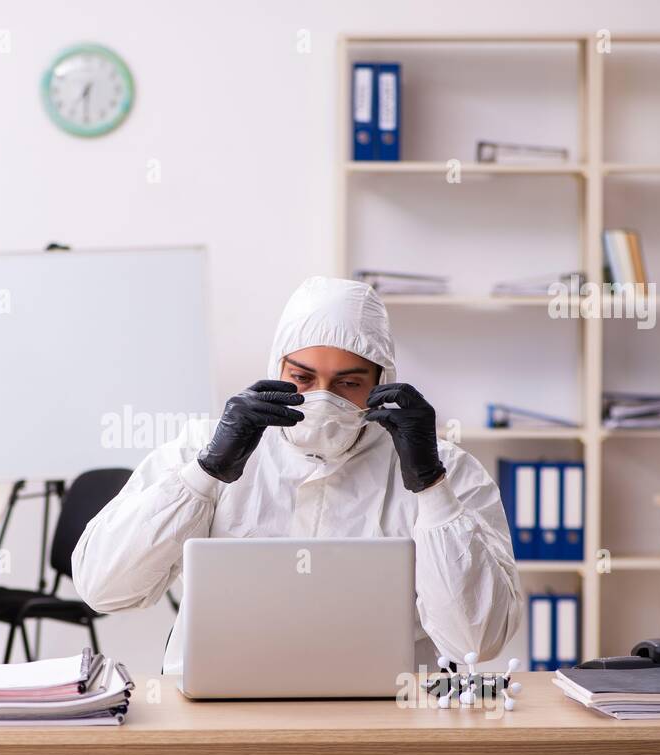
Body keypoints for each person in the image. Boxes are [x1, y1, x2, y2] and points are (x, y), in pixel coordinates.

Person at [72, 276, 522, 674]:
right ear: (277, 370)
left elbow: (476, 643)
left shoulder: (447, 468)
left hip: (388, 717)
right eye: (302, 377)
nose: (322, 398)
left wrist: (430, 486)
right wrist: (204, 474)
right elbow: (105, 589)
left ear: (383, 380)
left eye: (348, 382)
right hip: (219, 712)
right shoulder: (205, 446)